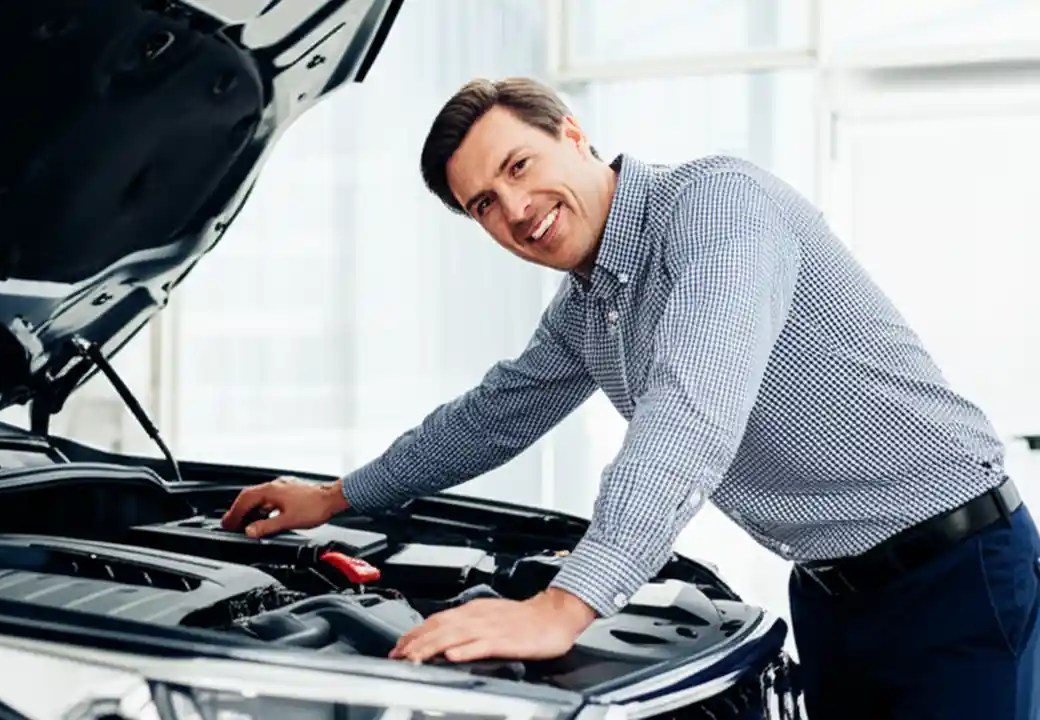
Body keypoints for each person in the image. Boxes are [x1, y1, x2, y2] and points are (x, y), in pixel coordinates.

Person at [221, 77, 1040, 718]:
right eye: (484, 205)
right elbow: (489, 416)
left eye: (519, 167)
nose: (516, 211)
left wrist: (567, 605)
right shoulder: (589, 305)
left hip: (956, 574)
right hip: (829, 593)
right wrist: (336, 497)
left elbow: (692, 413)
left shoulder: (719, 209)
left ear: (572, 135)